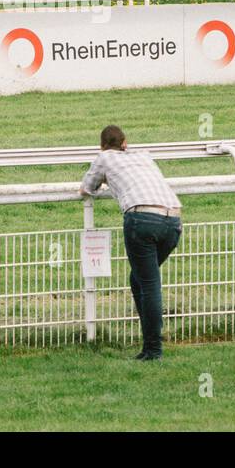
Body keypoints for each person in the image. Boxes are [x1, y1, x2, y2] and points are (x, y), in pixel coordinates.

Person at [80, 125, 182, 361]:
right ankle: (149, 346)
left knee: (148, 283)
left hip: (142, 219)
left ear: (102, 146)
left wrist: (105, 181)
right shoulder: (143, 155)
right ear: (125, 143)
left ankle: (153, 350)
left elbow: (86, 188)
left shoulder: (104, 157)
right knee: (138, 280)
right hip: (174, 220)